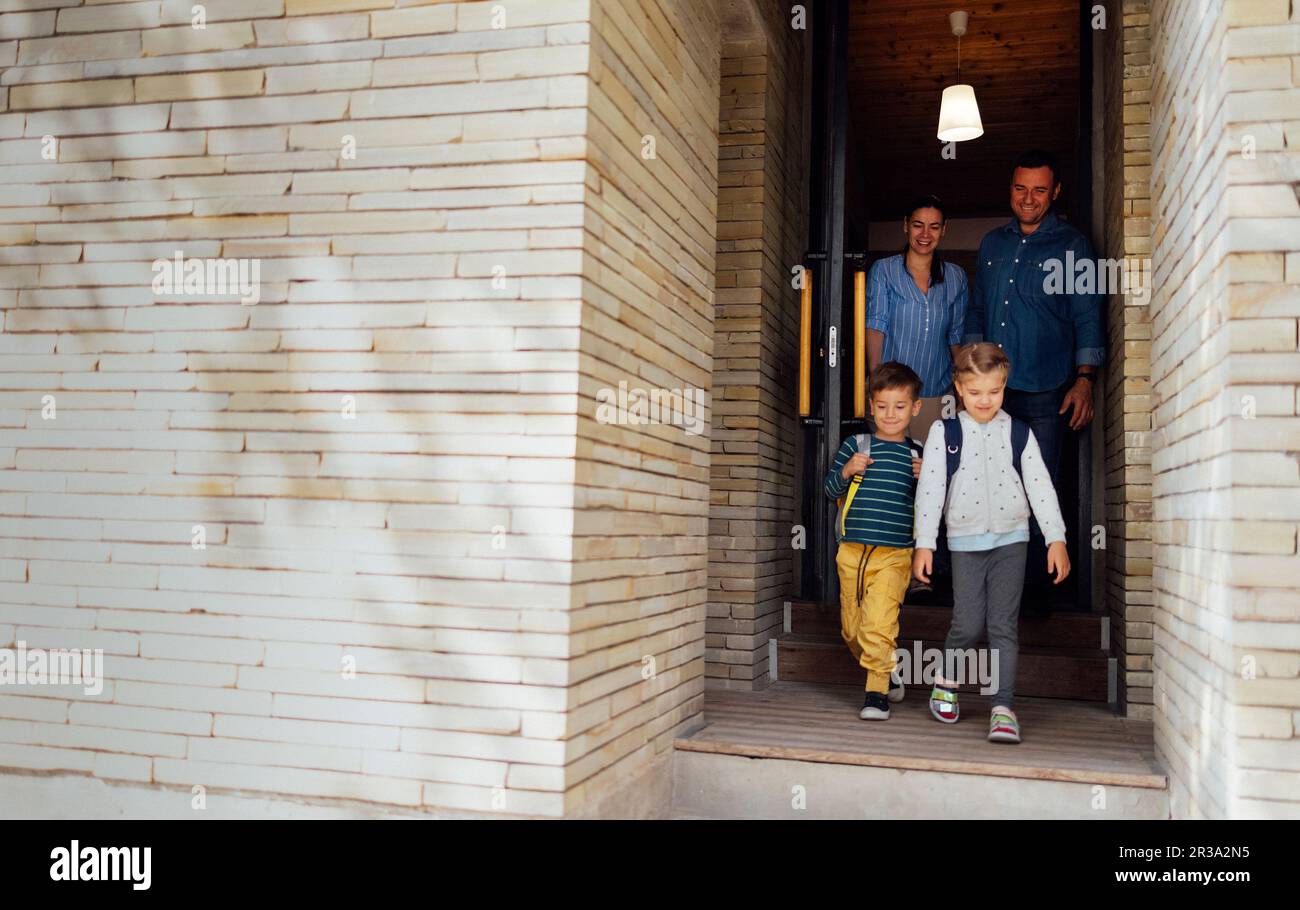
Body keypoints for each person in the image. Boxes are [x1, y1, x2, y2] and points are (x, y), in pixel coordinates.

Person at [912, 344, 1070, 744]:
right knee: (967, 624)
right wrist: (924, 544)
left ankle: (1002, 707)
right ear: (960, 389)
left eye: (994, 391)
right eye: (976, 392)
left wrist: (1055, 538)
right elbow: (930, 490)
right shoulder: (944, 432)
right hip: (965, 543)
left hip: (1011, 540)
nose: (986, 401)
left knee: (1002, 626)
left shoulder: (1019, 432)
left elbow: (1041, 487)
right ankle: (946, 680)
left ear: (1004, 386)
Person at [964, 150, 1101, 605]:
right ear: (1011, 188)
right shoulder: (991, 244)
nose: (1029, 198)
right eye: (1021, 188)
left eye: (1039, 189)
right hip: (991, 391)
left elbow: (1086, 314)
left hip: (1046, 389)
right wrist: (967, 369)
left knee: (1039, 486)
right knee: (985, 483)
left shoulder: (1073, 246)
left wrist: (1085, 379)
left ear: (1055, 192)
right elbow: (977, 310)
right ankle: (986, 590)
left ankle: (1037, 594)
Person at [823, 362, 925, 721]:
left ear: (915, 407)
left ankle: (876, 692)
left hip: (894, 555)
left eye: (899, 406)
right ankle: (888, 668)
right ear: (871, 406)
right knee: (852, 629)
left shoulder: (917, 454)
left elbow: (933, 508)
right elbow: (830, 488)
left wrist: (925, 479)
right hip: (851, 551)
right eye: (882, 407)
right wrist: (848, 470)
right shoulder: (857, 444)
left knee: (879, 624)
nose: (890, 414)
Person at [866, 194, 969, 442]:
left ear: (944, 229)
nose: (925, 234)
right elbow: (875, 325)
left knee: (931, 471)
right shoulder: (885, 270)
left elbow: (955, 336)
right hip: (891, 390)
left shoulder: (956, 277)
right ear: (905, 225)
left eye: (934, 226)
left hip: (937, 392)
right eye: (917, 225)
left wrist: (965, 388)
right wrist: (876, 379)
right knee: (894, 466)